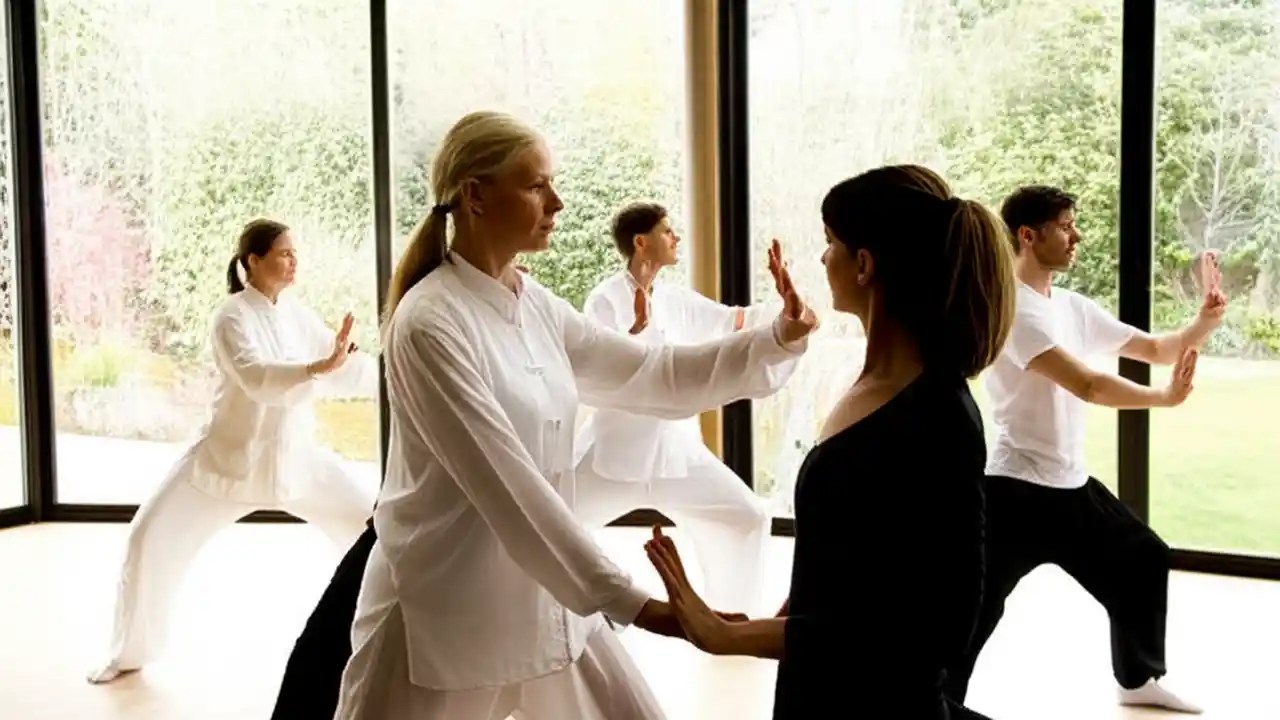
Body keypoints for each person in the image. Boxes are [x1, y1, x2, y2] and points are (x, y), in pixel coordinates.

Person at [331, 110, 817, 720]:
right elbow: (508, 486)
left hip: (547, 597)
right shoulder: (430, 322)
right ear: (476, 196)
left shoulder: (532, 302)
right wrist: (641, 605)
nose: (556, 202)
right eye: (536, 186)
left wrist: (775, 339)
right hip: (442, 613)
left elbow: (649, 372)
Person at [644, 164, 1012, 719]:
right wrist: (772, 623)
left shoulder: (939, 419)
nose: (823, 259)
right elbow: (849, 562)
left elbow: (936, 628)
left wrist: (726, 636)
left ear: (864, 264)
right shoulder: (873, 387)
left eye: (829, 243)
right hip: (817, 693)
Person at [943, 185, 1225, 714]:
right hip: (1017, 489)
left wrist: (1203, 322)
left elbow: (1157, 348)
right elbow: (1089, 385)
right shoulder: (1015, 312)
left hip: (1069, 484)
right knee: (976, 602)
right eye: (1066, 226)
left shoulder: (1071, 307)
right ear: (1028, 236)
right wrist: (1163, 400)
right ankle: (934, 698)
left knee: (1144, 555)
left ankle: (1137, 679)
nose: (1077, 236)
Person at [85, 218, 381, 685]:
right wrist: (317, 366)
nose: (293, 261)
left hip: (296, 463)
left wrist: (379, 369)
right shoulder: (230, 316)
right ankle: (127, 653)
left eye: (294, 253)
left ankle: (391, 637)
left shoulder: (296, 314)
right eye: (283, 253)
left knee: (374, 532)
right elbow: (256, 376)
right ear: (253, 261)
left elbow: (343, 366)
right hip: (227, 462)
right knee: (148, 538)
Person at [572, 202, 780, 615]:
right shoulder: (605, 299)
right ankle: (571, 614)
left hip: (676, 454)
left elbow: (732, 322)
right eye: (667, 230)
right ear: (640, 242)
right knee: (550, 524)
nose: (676, 237)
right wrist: (632, 331)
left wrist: (782, 313)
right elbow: (595, 365)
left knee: (747, 516)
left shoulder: (676, 298)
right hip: (616, 456)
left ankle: (730, 616)